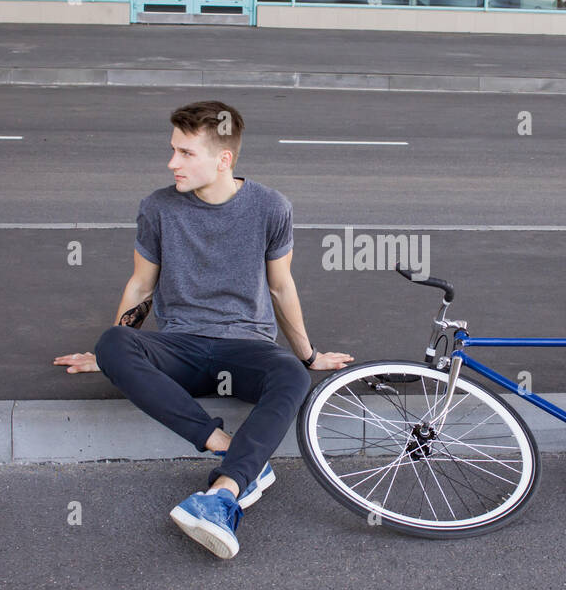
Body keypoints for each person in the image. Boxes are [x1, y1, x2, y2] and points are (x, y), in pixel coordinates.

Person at [54, 100, 352, 559]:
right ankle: (234, 452)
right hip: (181, 347)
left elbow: (280, 286)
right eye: (173, 149)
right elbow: (140, 285)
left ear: (223, 159)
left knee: (292, 375)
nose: (172, 163)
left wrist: (309, 355)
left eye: (185, 153)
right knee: (113, 342)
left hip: (246, 346)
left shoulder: (271, 207)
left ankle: (224, 494)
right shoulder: (158, 208)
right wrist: (110, 354)